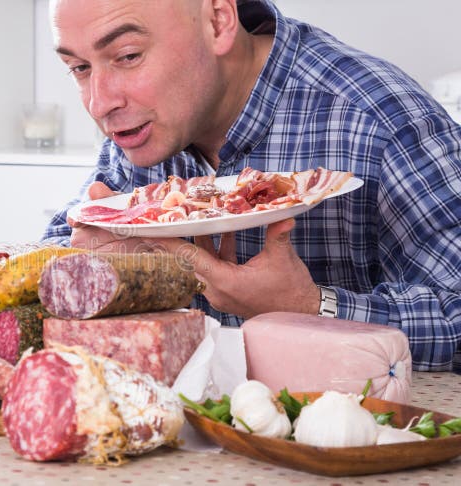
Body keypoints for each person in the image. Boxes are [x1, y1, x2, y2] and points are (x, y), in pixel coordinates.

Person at [41, 0, 461, 372]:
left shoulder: (380, 123)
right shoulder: (141, 126)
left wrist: (310, 308)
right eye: (79, 68)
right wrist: (89, 268)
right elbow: (54, 250)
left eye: (128, 56)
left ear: (219, 21)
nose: (99, 103)